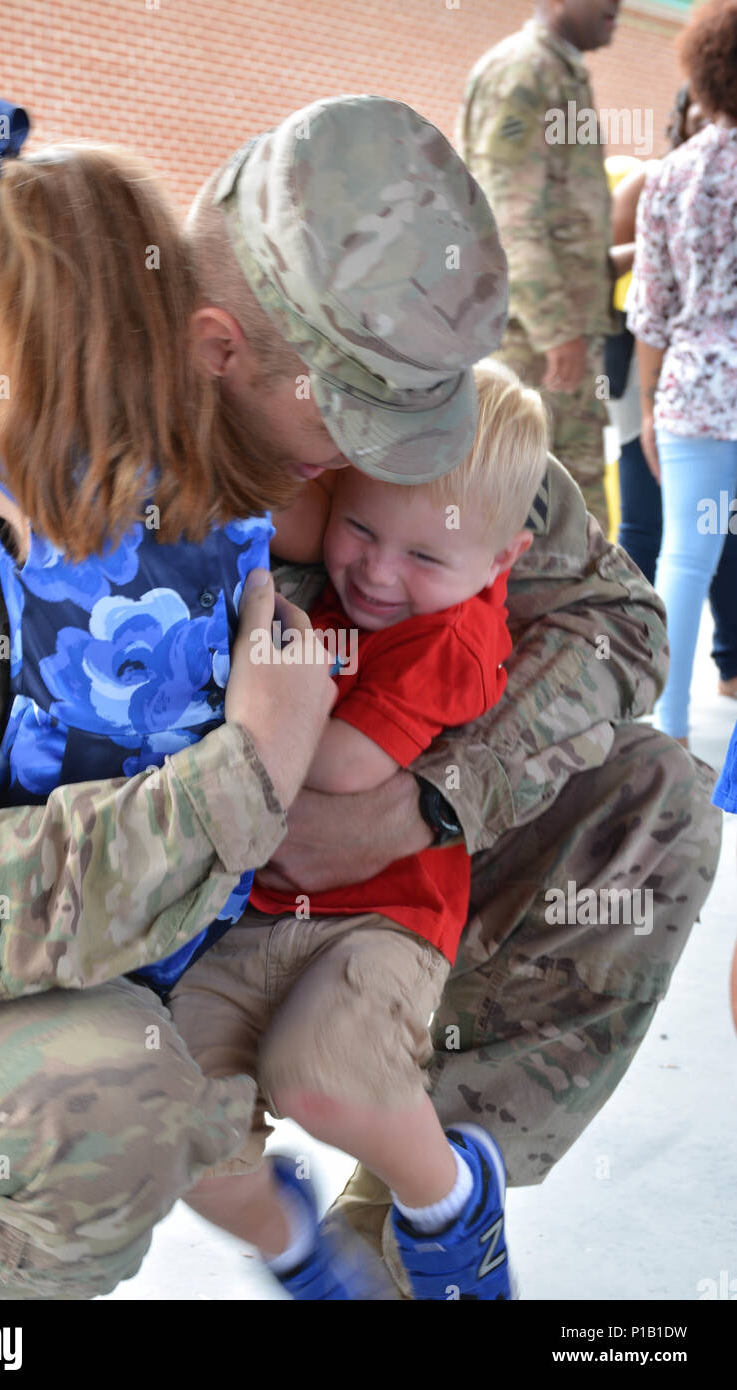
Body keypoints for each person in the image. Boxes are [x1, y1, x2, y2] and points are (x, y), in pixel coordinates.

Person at [0, 93, 720, 1302]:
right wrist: (234, 796)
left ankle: (410, 1215)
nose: (399, 460)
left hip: (314, 901)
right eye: (359, 419)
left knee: (654, 802)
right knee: (91, 1097)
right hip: (43, 962)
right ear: (216, 345)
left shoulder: (402, 398)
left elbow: (615, 621)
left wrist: (428, 798)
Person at [167, 360, 548, 1300]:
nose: (377, 572)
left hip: (379, 922)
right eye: (361, 530)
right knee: (173, 1116)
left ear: (500, 562)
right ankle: (298, 1250)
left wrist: (267, 678)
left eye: (424, 556)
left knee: (320, 1075)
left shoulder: (451, 634)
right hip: (255, 919)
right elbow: (286, 509)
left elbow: (341, 766)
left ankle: (451, 1208)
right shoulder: (376, 549)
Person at [457, 0, 620, 532]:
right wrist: (558, 331)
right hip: (531, 349)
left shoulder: (559, 71)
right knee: (526, 516)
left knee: (569, 522)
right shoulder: (525, 71)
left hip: (557, 349)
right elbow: (508, 214)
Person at [628, 0, 737, 746]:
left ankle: (666, 735)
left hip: (693, 396)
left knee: (683, 559)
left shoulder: (670, 177)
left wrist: (644, 407)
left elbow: (652, 310)